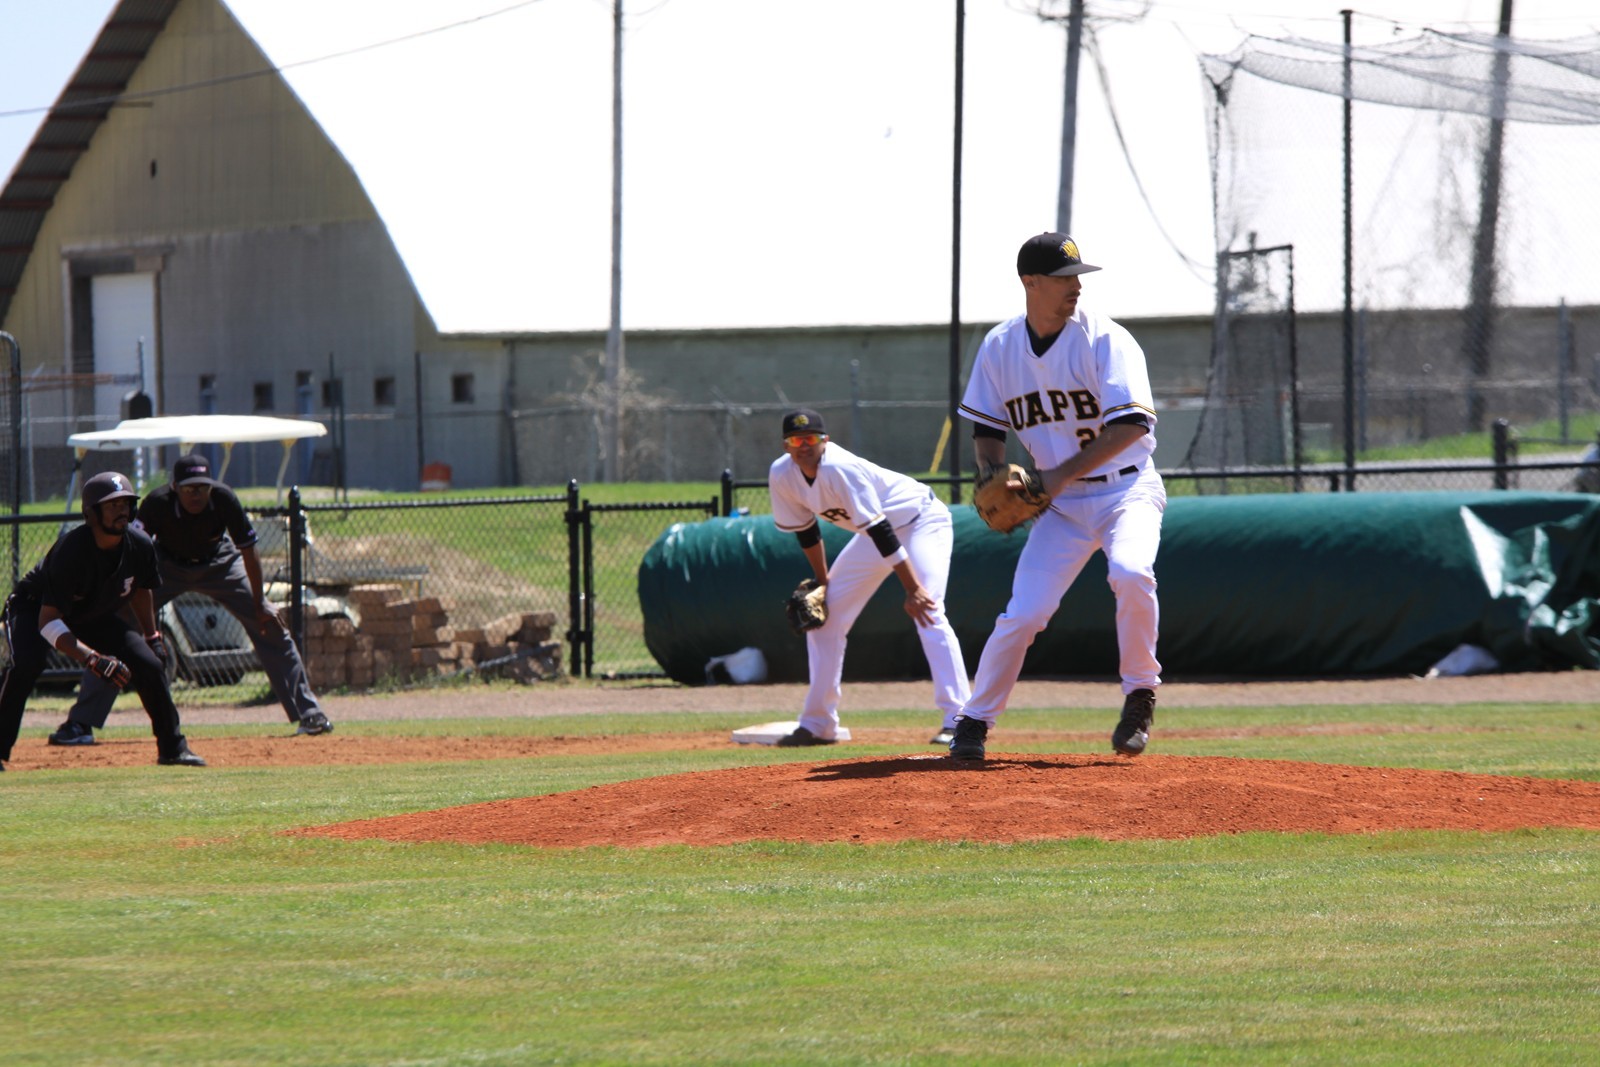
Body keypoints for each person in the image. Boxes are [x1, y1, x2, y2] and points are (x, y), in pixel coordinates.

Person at [947, 233, 1166, 761]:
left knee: (1132, 573)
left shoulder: (1104, 340)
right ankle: (973, 721)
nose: (1075, 288)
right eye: (1064, 278)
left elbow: (1133, 424)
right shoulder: (1001, 347)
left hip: (1126, 490)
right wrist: (990, 472)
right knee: (1024, 615)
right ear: (1030, 282)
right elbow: (986, 425)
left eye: (1078, 278)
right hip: (1061, 508)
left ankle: (1140, 693)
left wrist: (1056, 477)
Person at [46, 453, 333, 746]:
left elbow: (248, 549)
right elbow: (130, 549)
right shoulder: (157, 504)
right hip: (165, 566)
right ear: (174, 488)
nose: (197, 494)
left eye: (203, 487)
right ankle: (81, 723)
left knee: (270, 622)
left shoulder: (223, 499)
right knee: (116, 633)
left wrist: (260, 602)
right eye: (189, 488)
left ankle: (309, 713)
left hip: (219, 563)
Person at [767, 408, 970, 746]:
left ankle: (960, 718)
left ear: (824, 441)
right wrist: (823, 582)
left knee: (928, 608)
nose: (803, 445)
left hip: (921, 521)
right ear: (786, 446)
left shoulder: (839, 468)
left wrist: (912, 589)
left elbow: (880, 529)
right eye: (795, 440)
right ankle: (819, 724)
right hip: (876, 535)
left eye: (810, 438)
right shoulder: (782, 474)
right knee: (823, 618)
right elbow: (806, 531)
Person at [0, 472, 205, 770]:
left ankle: (173, 749)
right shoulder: (72, 550)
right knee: (27, 664)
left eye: (126, 503)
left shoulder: (140, 544)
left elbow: (139, 590)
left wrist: (152, 637)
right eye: (112, 505)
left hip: (89, 613)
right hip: (35, 609)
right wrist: (91, 658)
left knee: (148, 663)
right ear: (91, 513)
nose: (122, 510)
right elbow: (48, 621)